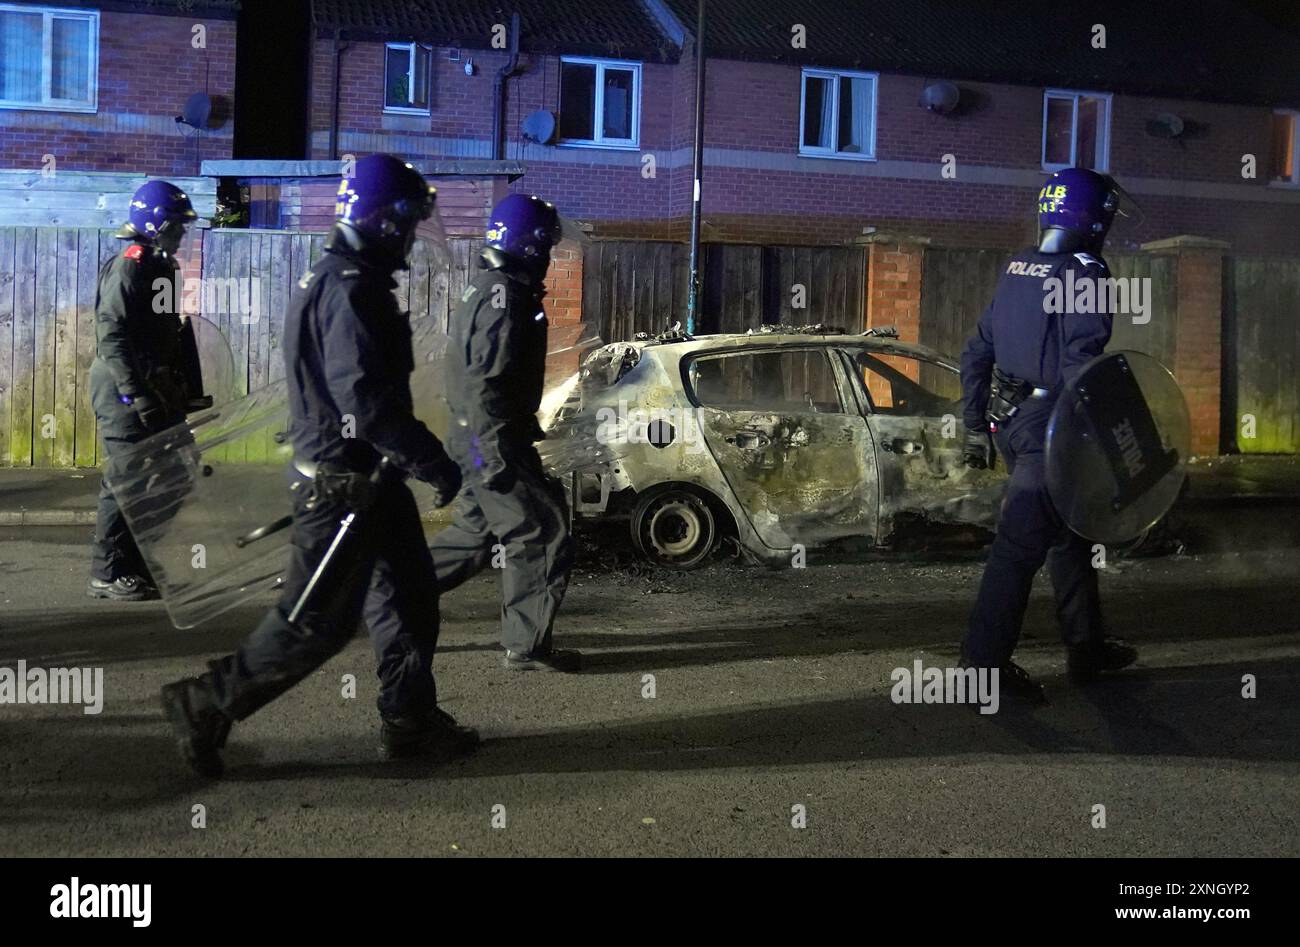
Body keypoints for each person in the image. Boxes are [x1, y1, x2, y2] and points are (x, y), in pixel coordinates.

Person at [161, 155, 475, 778]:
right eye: (409, 221)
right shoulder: (352, 289)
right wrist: (435, 463)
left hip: (369, 479)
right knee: (316, 624)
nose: (413, 234)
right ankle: (205, 703)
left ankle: (409, 718)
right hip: (342, 487)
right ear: (383, 220)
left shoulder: (341, 276)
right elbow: (366, 402)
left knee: (409, 598)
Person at [959, 167, 1137, 703]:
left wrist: (973, 424)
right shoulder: (1086, 273)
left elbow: (977, 351)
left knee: (1071, 535)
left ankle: (1087, 647)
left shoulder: (1019, 267)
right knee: (1017, 548)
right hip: (1050, 429)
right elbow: (1081, 371)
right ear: (1093, 217)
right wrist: (1111, 444)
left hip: (1009, 421)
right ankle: (981, 669)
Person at [428, 194, 578, 672]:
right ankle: (526, 647)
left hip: (479, 440)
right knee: (541, 532)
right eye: (547, 248)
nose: (551, 258)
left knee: (475, 537)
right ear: (530, 246)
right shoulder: (504, 295)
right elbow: (485, 383)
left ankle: (383, 592)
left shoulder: (492, 286)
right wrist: (494, 453)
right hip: (491, 442)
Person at [87, 181, 198, 602]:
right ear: (158, 224)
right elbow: (111, 335)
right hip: (122, 388)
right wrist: (137, 395)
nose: (183, 234)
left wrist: (182, 384)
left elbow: (167, 331)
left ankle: (135, 561)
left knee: (181, 471)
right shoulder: (130, 265)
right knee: (125, 479)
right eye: (178, 226)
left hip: (156, 385)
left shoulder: (162, 266)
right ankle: (108, 571)